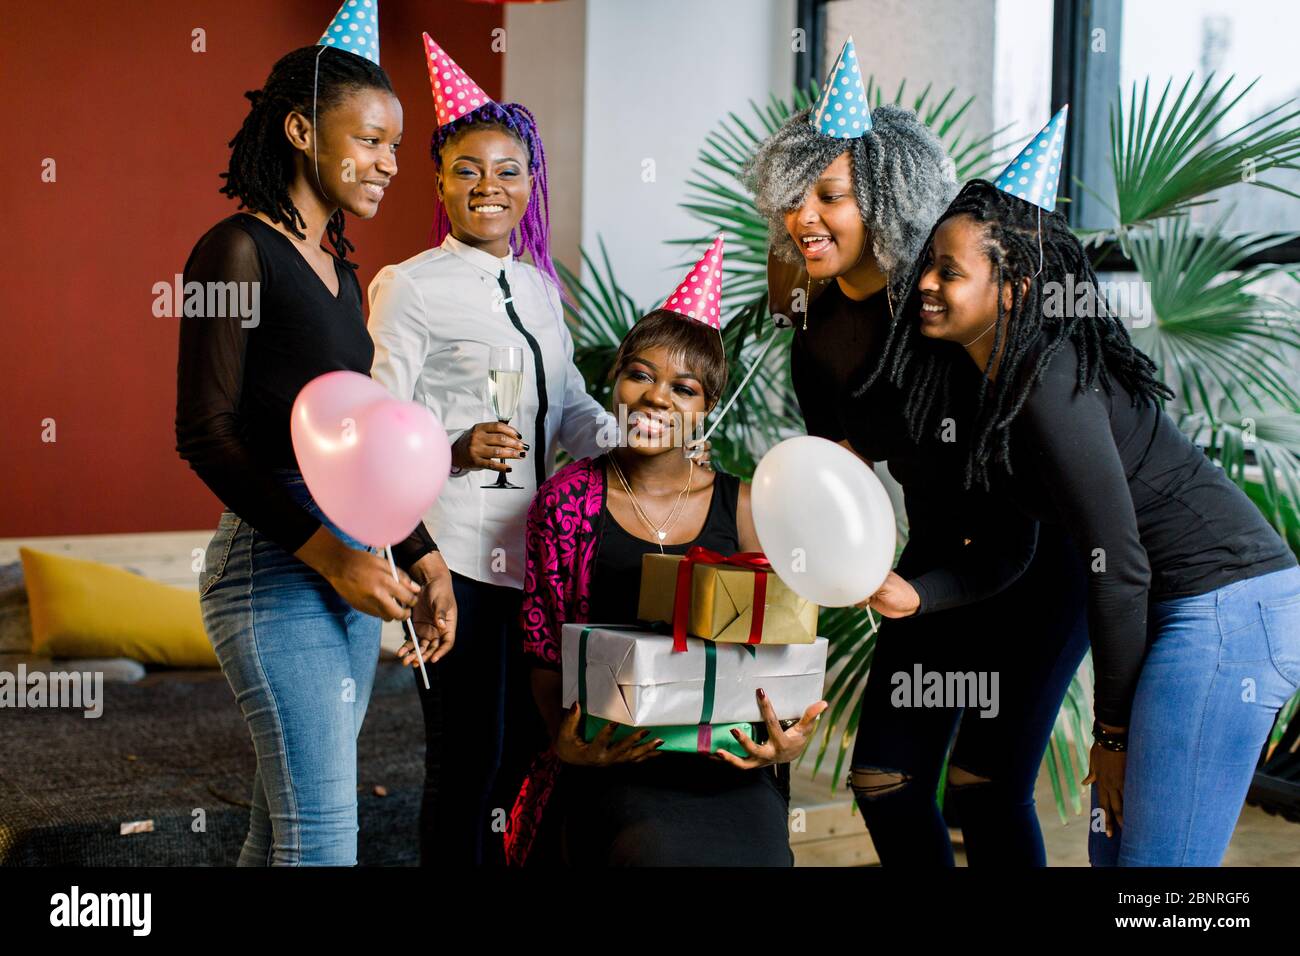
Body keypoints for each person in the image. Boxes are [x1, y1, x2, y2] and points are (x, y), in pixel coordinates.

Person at [872, 175, 1300, 865]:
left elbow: (1119, 564)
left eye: (948, 271)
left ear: (1012, 286)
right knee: (1116, 856)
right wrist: (918, 594)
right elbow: (1011, 549)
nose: (925, 281)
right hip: (1189, 608)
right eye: (927, 263)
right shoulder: (993, 389)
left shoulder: (1046, 376)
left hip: (1230, 609)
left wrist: (1112, 736)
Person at [743, 38, 1090, 865]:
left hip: (1039, 561)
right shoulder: (813, 328)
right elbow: (840, 468)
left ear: (887, 195)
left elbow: (1015, 508)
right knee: (884, 781)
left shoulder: (945, 304)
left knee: (986, 787)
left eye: (829, 195)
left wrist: (925, 590)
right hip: (939, 551)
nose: (803, 217)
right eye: (794, 197)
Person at [368, 35, 684, 865]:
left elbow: (571, 408)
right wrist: (456, 447)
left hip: (541, 558)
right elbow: (378, 431)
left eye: (508, 170)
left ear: (530, 182)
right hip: (457, 559)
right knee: (465, 761)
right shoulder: (409, 285)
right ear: (439, 181)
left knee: (524, 757)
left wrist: (637, 440)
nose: (488, 186)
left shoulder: (542, 286)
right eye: (468, 169)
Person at [176, 16, 455, 868]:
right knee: (324, 842)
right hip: (274, 569)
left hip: (349, 567)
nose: (389, 163)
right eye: (369, 138)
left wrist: (421, 552)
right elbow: (203, 433)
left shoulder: (341, 274)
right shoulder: (231, 252)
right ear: (302, 131)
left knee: (282, 838)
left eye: (396, 145)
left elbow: (360, 445)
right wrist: (332, 558)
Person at [506, 242, 827, 865]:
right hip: (613, 758)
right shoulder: (565, 502)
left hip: (728, 758)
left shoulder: (746, 506)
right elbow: (543, 651)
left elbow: (782, 648)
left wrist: (786, 741)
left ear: (707, 410)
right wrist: (565, 745)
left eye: (684, 389)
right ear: (616, 381)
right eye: (641, 375)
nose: (656, 398)